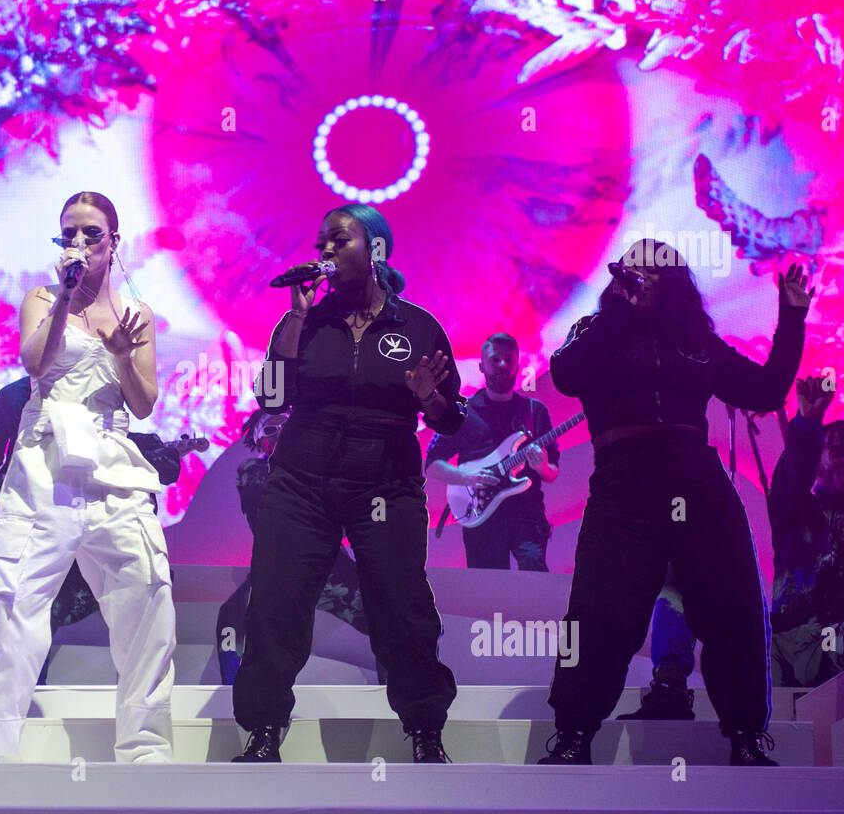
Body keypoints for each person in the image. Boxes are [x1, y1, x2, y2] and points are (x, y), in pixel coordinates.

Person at [538, 240, 811, 766]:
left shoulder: (697, 342)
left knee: (734, 605)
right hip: (623, 484)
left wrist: (792, 318)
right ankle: (573, 734)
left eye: (652, 263)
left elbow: (766, 389)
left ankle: (747, 734)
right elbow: (568, 376)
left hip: (696, 480)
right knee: (599, 613)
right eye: (632, 263)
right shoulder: (596, 334)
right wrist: (618, 309)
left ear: (673, 279)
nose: (640, 270)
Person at [231, 203, 466, 763]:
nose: (326, 253)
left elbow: (451, 418)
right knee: (276, 603)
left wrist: (428, 398)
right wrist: (294, 319)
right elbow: (272, 397)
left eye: (339, 241)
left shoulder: (416, 327)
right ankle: (263, 731)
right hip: (302, 480)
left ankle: (425, 729)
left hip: (384, 483)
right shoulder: (305, 321)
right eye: (321, 245)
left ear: (377, 249)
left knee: (402, 608)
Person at [0, 192, 176, 763]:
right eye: (69, 234)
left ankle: (144, 749)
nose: (80, 243)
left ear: (114, 241)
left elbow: (145, 403)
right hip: (43, 459)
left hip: (111, 461)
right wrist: (65, 302)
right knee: (12, 603)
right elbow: (34, 362)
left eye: (92, 233)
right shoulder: (41, 297)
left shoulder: (138, 313)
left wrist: (125, 355)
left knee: (146, 596)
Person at [0, 375, 183, 683]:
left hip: (91, 525)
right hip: (37, 524)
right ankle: (24, 701)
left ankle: (136, 706)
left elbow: (165, 469)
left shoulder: (104, 390)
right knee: (29, 615)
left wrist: (146, 452)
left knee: (142, 597)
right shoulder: (13, 396)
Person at [216, 408, 387, 684]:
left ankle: (397, 706)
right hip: (278, 575)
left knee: (391, 614)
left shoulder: (333, 469)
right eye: (269, 430)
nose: (280, 432)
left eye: (286, 425)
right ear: (260, 443)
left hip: (332, 573)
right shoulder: (254, 472)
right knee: (231, 618)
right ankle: (236, 706)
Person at [768, 374, 844, 685]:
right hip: (797, 644)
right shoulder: (794, 509)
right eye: (839, 450)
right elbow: (794, 472)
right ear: (816, 462)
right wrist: (809, 420)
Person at [425, 332, 560, 571]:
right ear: (481, 365)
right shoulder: (462, 413)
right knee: (489, 591)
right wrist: (468, 477)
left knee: (535, 579)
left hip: (527, 515)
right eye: (495, 359)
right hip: (481, 518)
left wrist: (541, 466)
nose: (502, 365)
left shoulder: (534, 411)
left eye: (509, 360)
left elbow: (551, 474)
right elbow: (433, 464)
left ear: (518, 366)